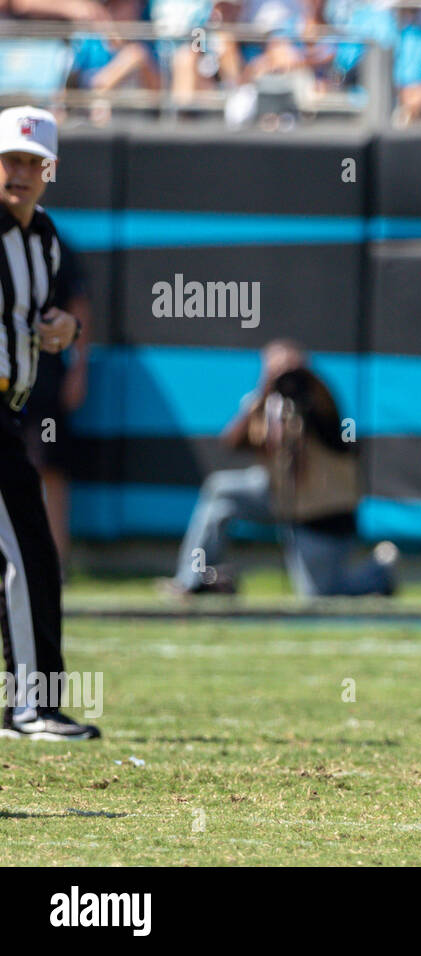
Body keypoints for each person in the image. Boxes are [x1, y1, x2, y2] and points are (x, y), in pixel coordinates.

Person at [0, 105, 100, 740]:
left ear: (50, 170)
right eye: (11, 159)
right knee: (27, 551)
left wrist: (68, 329)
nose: (21, 173)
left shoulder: (44, 236)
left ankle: (29, 701)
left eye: (33, 163)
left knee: (26, 551)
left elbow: (52, 316)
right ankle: (32, 704)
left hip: (10, 409)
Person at [161, 339, 398, 598]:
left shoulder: (322, 402)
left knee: (318, 596)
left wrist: (309, 386)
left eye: (290, 368)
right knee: (219, 490)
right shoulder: (267, 404)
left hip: (320, 511)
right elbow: (232, 441)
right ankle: (196, 579)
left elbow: (343, 438)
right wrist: (265, 392)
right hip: (280, 495)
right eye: (276, 369)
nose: (286, 377)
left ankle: (380, 572)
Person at [18, 238, 91, 571]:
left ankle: (55, 566)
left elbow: (79, 308)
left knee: (49, 469)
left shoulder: (55, 247)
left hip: (44, 385)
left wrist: (79, 369)